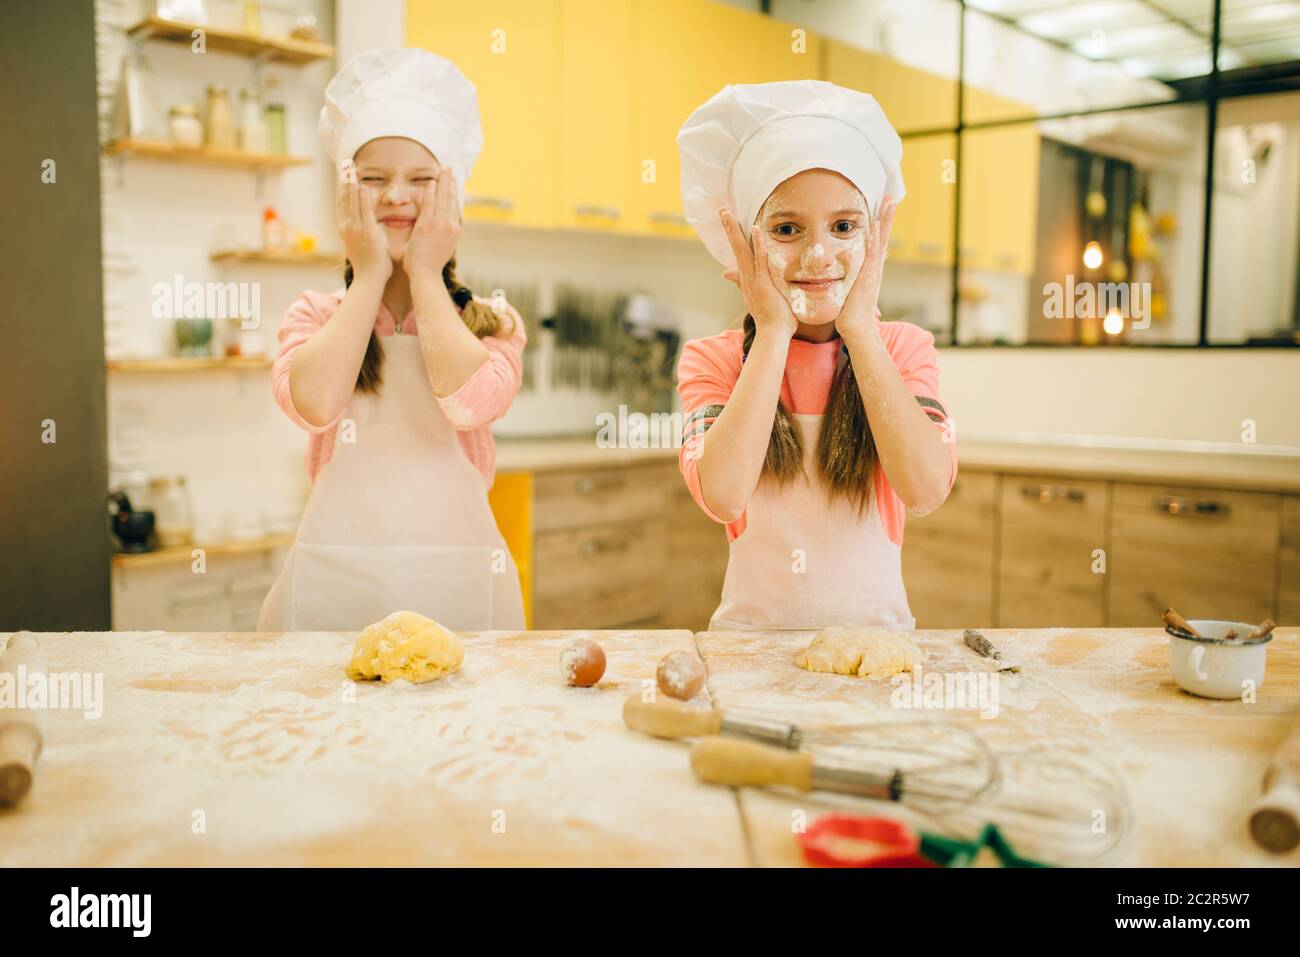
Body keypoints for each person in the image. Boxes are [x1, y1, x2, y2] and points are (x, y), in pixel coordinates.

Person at [257, 49, 525, 632]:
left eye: (421, 180)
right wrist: (372, 273)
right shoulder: (315, 315)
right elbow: (315, 404)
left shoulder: (493, 321)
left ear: (453, 195)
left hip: (460, 588)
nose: (396, 197)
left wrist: (426, 275)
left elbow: (470, 401)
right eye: (372, 179)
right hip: (336, 587)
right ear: (343, 195)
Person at [675, 80, 957, 631]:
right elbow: (724, 496)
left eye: (845, 226)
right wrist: (774, 332)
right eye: (786, 228)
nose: (819, 253)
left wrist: (860, 331)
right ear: (746, 241)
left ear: (876, 237)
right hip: (748, 654)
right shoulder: (714, 360)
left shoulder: (901, 349)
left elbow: (925, 490)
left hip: (877, 653)